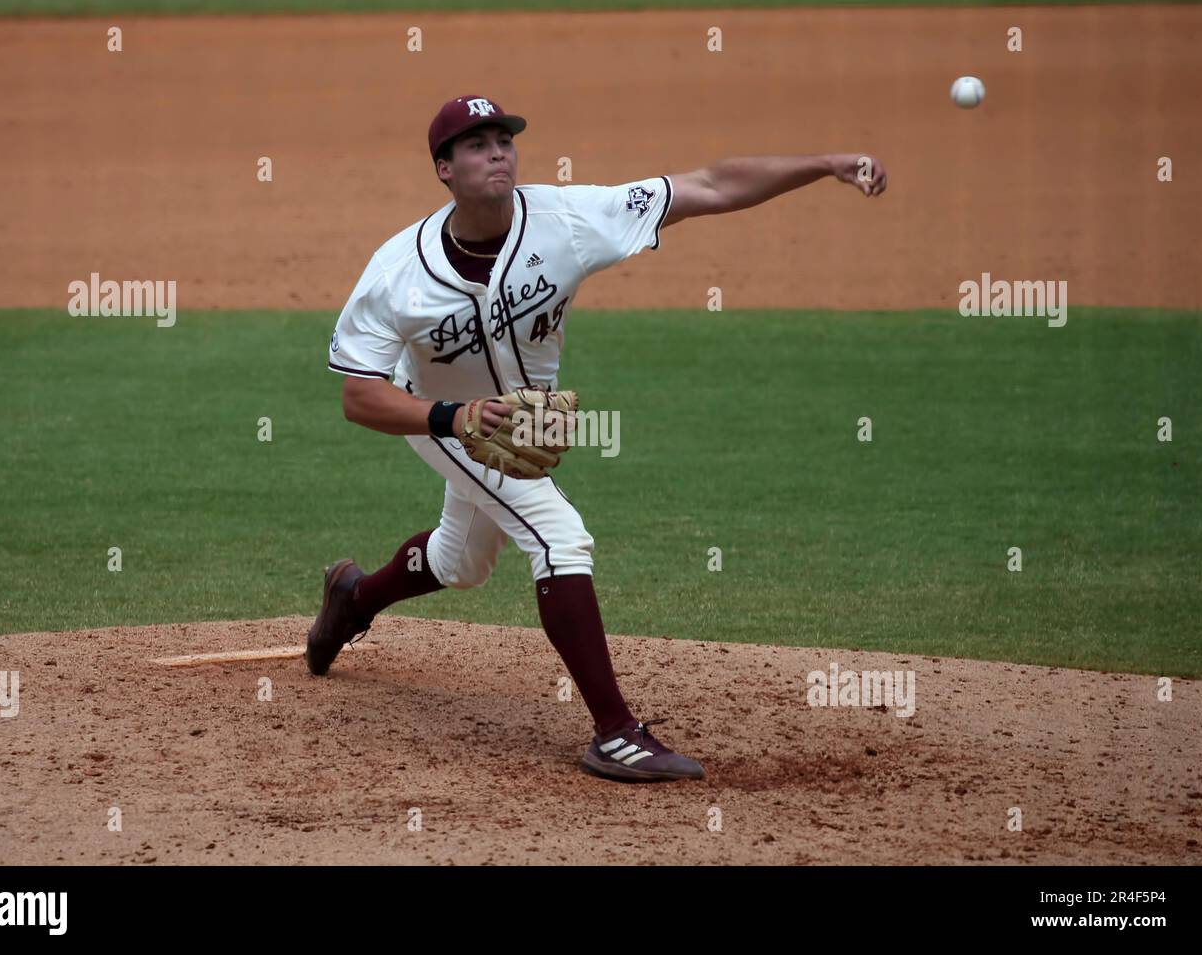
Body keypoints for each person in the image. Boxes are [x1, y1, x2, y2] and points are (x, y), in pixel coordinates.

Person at [308, 94, 888, 783]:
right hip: (433, 410)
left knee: (462, 561)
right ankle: (614, 733)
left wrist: (826, 164)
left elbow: (709, 184)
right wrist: (452, 418)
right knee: (558, 536)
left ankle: (352, 599)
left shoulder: (568, 219)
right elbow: (358, 396)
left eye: (504, 139)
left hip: (517, 419)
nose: (497, 151)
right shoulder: (396, 271)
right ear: (443, 169)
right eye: (476, 144)